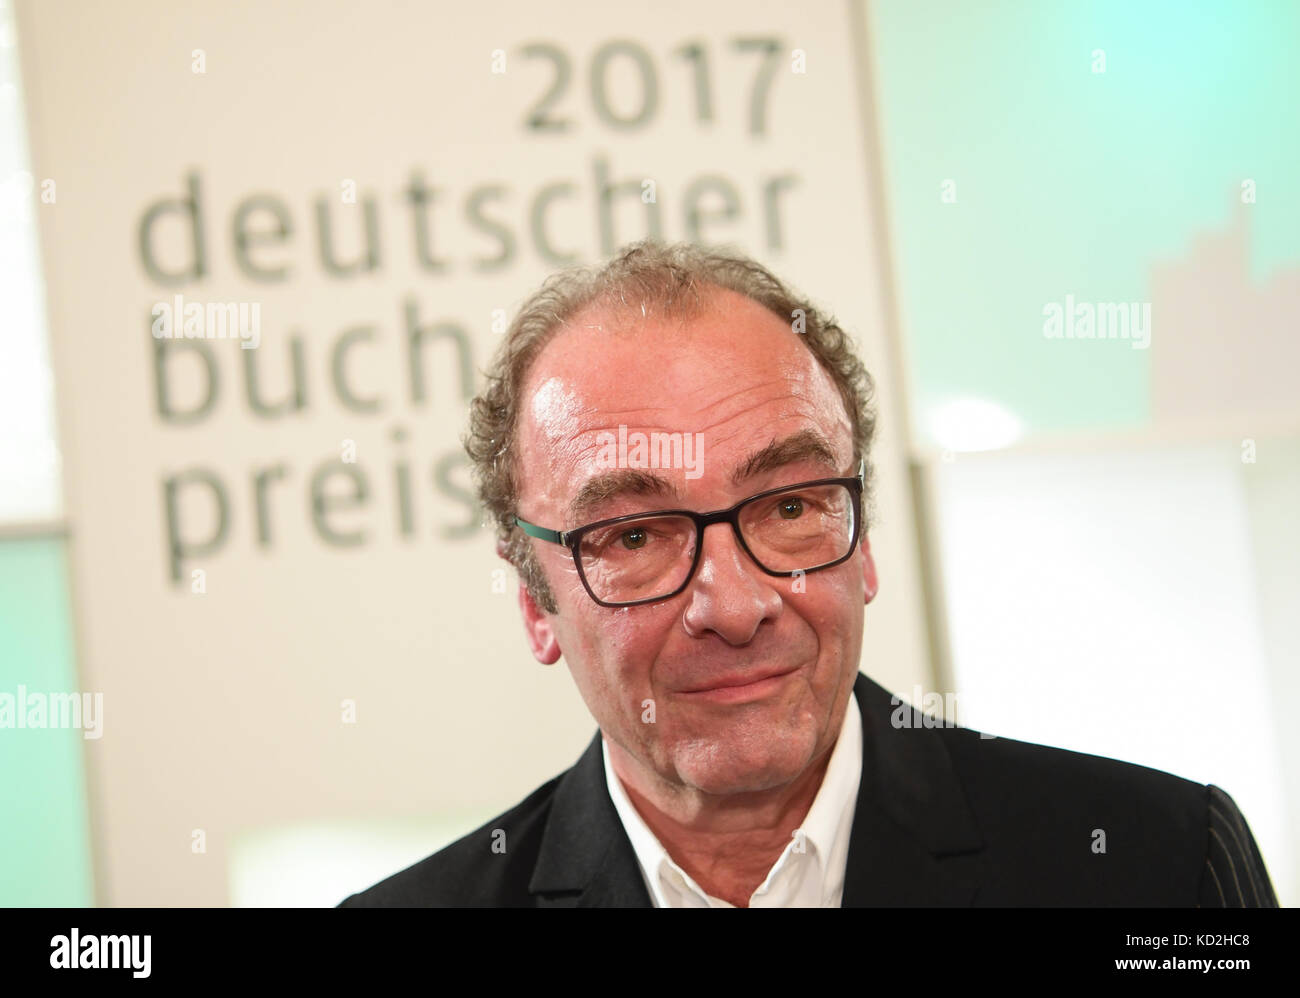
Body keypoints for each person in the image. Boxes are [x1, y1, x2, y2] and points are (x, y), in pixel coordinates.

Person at [339, 241, 1278, 908]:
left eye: (789, 508)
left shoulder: (1157, 867)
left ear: (862, 540)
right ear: (533, 602)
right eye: (634, 537)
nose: (737, 606)